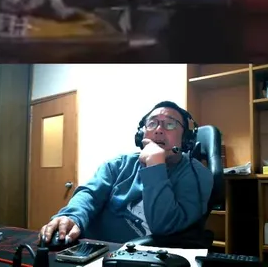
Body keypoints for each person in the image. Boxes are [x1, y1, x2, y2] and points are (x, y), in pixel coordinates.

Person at [39, 101, 214, 245]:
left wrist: (155, 165)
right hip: (95, 250)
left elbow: (164, 225)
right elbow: (90, 194)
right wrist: (72, 216)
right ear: (141, 135)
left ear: (185, 138)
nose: (159, 129)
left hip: (142, 257)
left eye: (170, 124)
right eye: (152, 123)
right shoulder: (119, 164)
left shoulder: (197, 175)